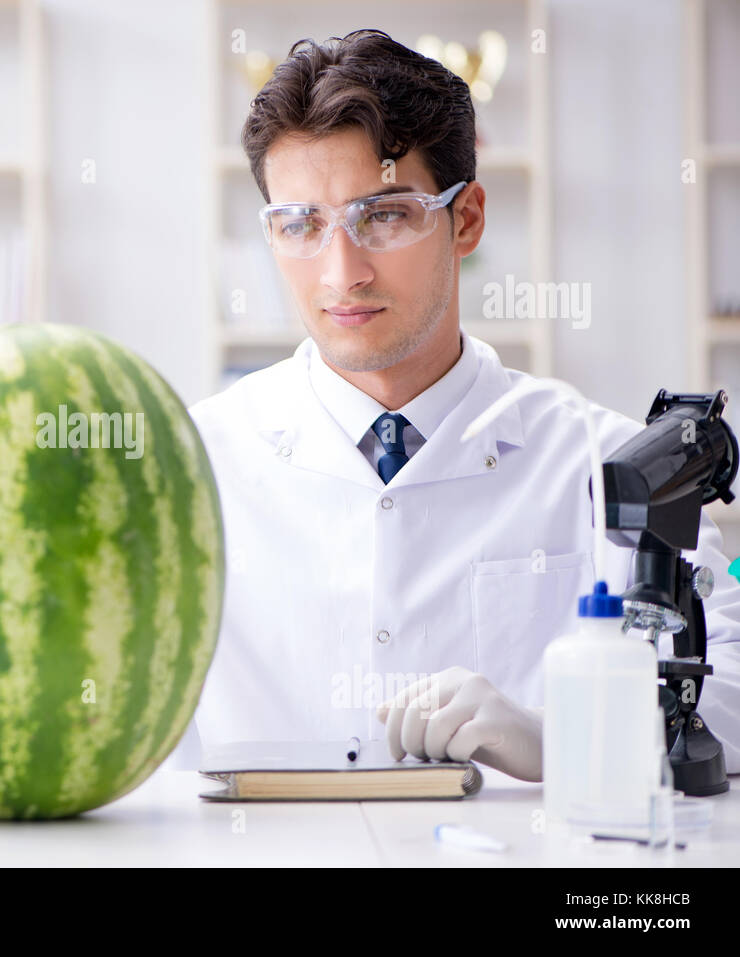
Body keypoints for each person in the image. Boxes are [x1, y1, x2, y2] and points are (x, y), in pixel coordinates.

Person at [168, 29, 740, 781]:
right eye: (301, 224)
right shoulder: (192, 468)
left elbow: (727, 677)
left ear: (465, 218)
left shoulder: (602, 460)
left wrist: (561, 735)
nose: (342, 274)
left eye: (384, 215)